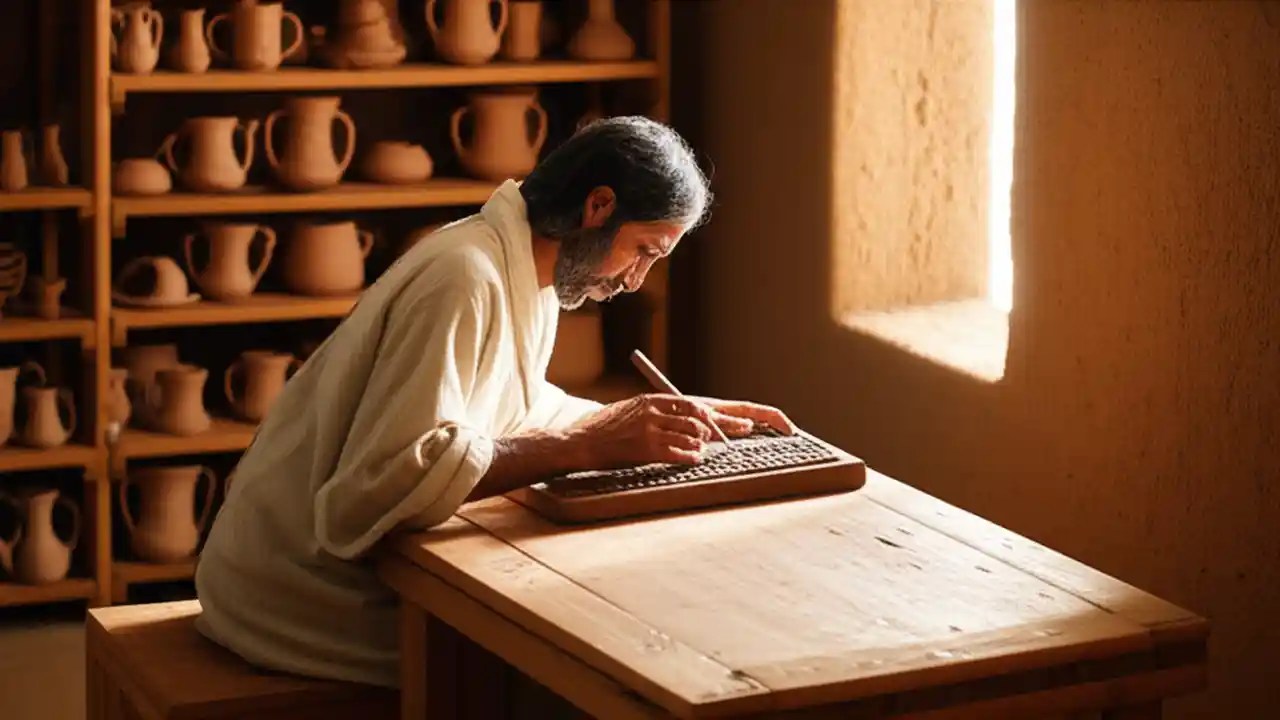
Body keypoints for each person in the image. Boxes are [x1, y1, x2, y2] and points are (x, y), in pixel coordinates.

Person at [194, 116, 796, 688]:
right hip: (290, 587)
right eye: (644, 250)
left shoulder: (524, 270)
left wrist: (651, 419)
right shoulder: (465, 276)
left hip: (295, 569)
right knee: (562, 665)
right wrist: (591, 445)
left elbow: (513, 411)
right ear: (599, 206)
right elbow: (384, 477)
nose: (635, 279)